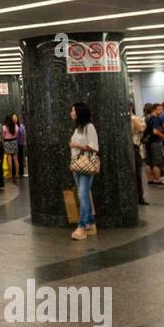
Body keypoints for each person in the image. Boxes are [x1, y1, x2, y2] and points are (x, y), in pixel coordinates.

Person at [68, 102, 99, 241]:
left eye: (73, 111)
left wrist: (76, 145)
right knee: (84, 194)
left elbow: (94, 147)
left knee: (82, 194)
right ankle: (91, 224)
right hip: (77, 165)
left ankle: (82, 226)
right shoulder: (78, 128)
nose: (71, 113)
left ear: (79, 112)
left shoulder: (89, 127)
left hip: (86, 165)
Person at [144, 103, 164, 185]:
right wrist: (163, 136)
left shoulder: (148, 117)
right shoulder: (155, 118)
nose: (161, 111)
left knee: (148, 162)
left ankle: (150, 179)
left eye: (161, 109)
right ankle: (158, 179)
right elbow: (155, 131)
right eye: (159, 109)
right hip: (155, 142)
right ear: (154, 109)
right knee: (157, 162)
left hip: (148, 142)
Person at [2, 113, 21, 180]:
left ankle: (10, 174)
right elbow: (17, 135)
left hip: (7, 142)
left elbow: (3, 136)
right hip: (14, 141)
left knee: (9, 158)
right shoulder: (16, 126)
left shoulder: (4, 127)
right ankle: (17, 174)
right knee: (16, 158)